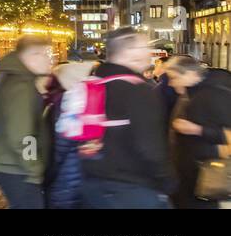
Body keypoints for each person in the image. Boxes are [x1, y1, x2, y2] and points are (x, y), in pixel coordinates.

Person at [79, 27, 172, 209]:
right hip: (133, 189)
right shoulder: (137, 89)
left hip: (92, 186)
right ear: (130, 53)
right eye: (144, 47)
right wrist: (168, 181)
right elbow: (150, 146)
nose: (148, 52)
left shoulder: (92, 84)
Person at [0, 35, 52, 209]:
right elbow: (21, 135)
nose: (49, 60)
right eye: (45, 54)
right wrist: (33, 167)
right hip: (18, 168)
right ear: (31, 56)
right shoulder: (22, 86)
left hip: (9, 164)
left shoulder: (12, 79)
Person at [164, 55, 231, 209]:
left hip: (205, 176)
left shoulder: (215, 95)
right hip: (188, 175)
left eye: (174, 78)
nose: (171, 83)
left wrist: (197, 130)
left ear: (190, 74)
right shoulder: (191, 92)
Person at [44, 60, 95, 209]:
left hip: (64, 180)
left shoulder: (65, 104)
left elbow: (59, 148)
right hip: (87, 179)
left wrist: (45, 175)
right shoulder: (92, 102)